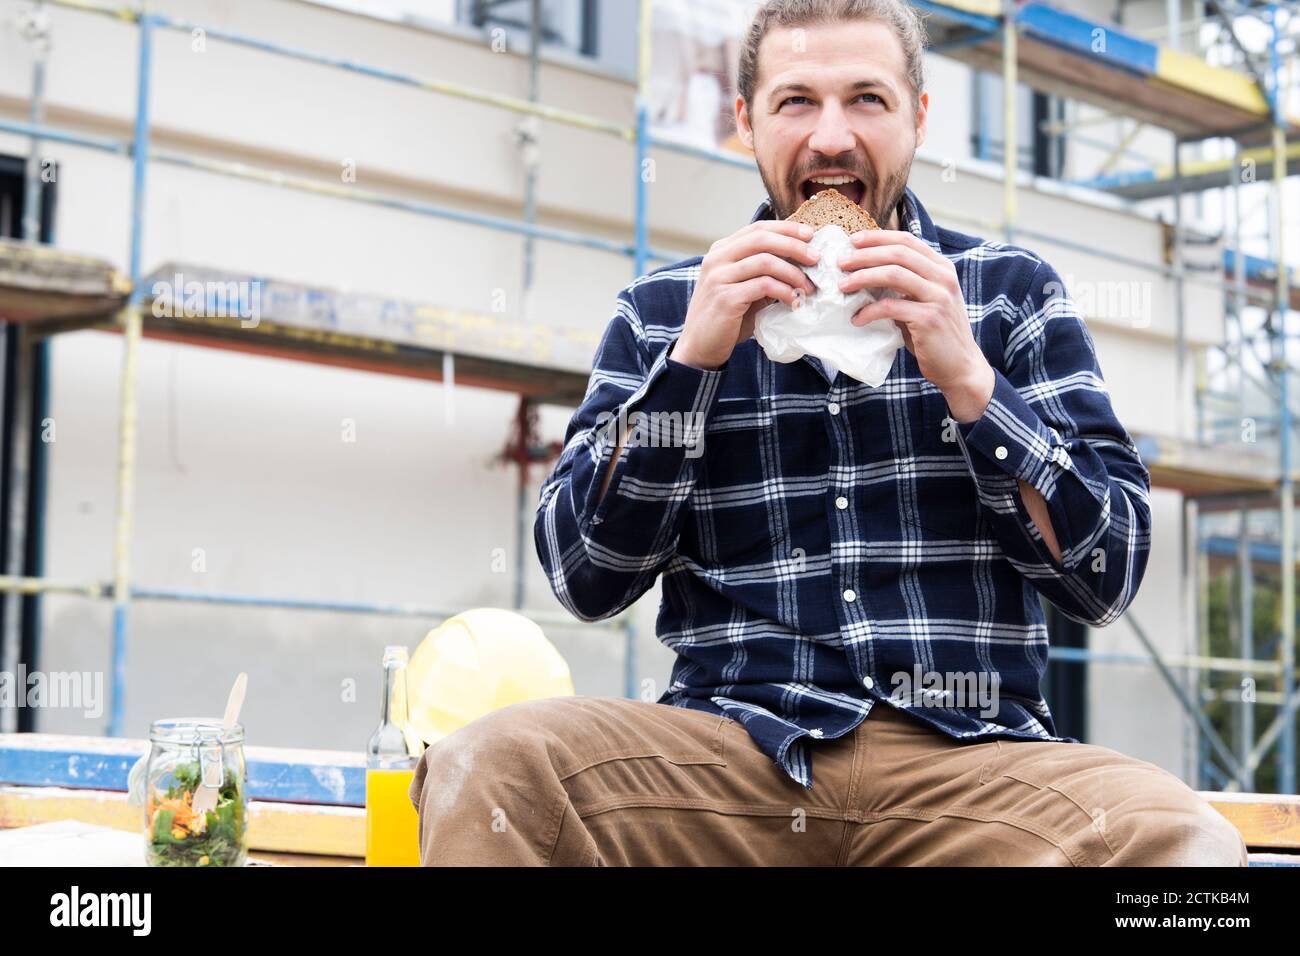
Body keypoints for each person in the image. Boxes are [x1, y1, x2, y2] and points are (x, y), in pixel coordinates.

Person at [409, 0, 1247, 867]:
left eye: (868, 101)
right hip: (725, 761)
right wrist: (693, 363)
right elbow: (586, 579)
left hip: (975, 767)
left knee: (1184, 848)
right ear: (747, 123)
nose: (832, 138)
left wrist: (972, 382)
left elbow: (1104, 580)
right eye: (797, 101)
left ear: (920, 118)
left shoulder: (1009, 294)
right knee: (493, 766)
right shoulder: (665, 310)